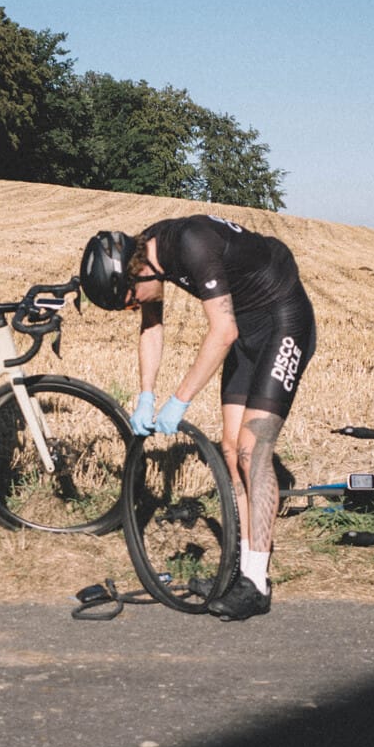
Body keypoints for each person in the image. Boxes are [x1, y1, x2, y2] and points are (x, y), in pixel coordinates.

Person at [79, 215, 316, 620]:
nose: (139, 305)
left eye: (133, 299)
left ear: (139, 271)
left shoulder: (191, 243)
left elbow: (221, 332)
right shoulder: (149, 252)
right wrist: (147, 396)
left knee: (252, 450)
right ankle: (241, 571)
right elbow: (151, 325)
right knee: (229, 451)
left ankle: (256, 583)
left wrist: (180, 399)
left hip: (283, 320)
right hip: (246, 325)